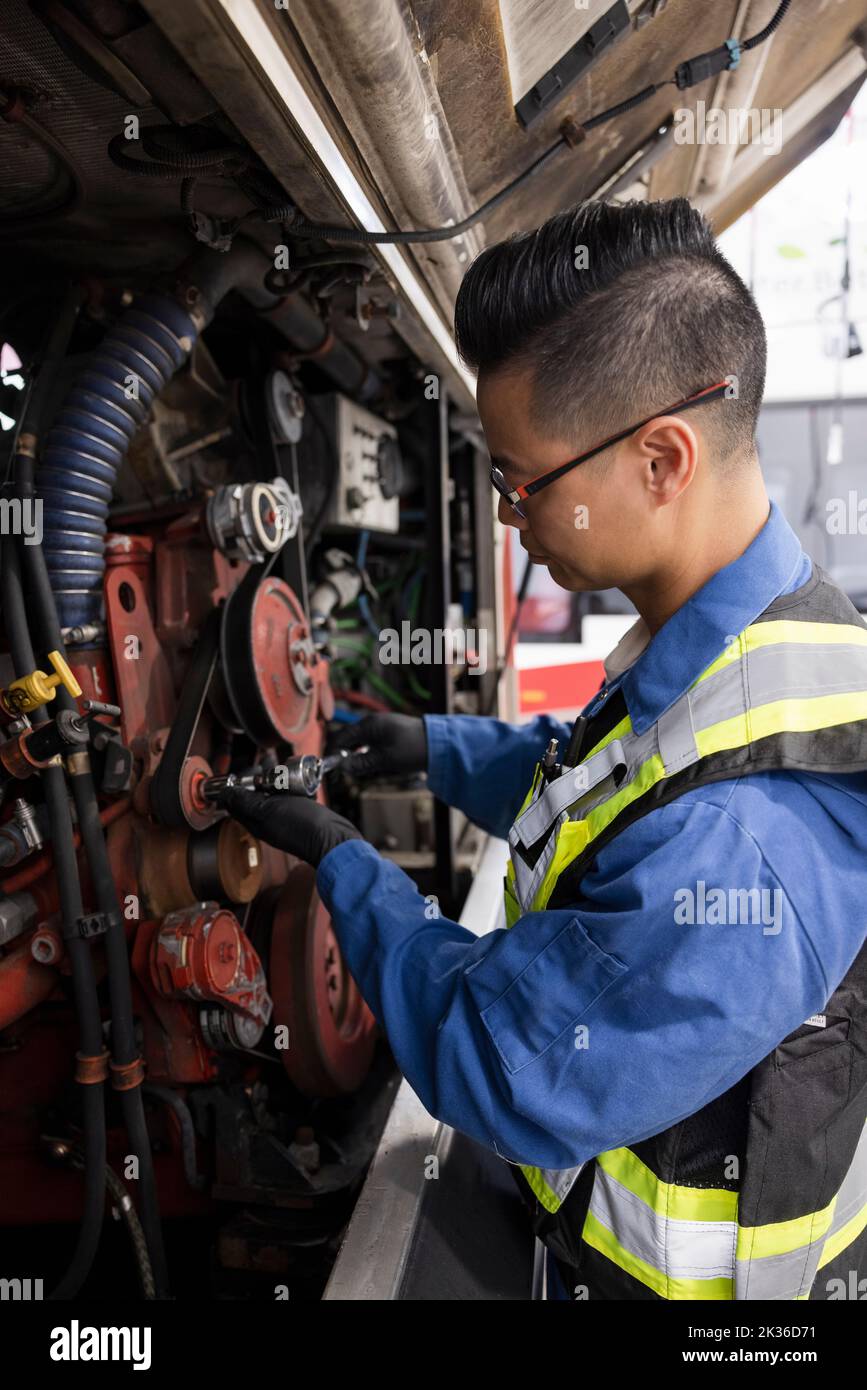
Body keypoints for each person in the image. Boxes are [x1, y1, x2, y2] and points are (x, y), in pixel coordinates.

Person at [221, 199, 867, 1301]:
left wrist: (340, 863)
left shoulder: (741, 849)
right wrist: (426, 744)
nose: (511, 516)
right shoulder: (751, 633)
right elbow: (607, 784)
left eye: (525, 484)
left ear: (662, 459)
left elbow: (493, 1055)